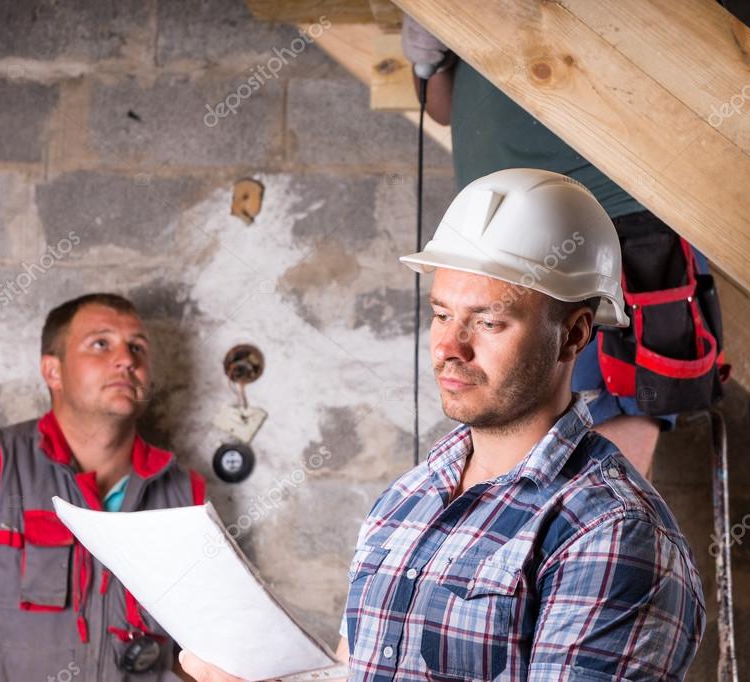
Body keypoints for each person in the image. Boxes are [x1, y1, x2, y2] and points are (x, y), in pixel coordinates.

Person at [180, 169, 705, 681]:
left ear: (573, 335)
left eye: (488, 321)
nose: (449, 348)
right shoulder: (407, 500)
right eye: (441, 315)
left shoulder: (610, 531)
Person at [402, 17, 722, 480]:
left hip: (616, 235)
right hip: (492, 246)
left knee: (605, 443)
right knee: (510, 436)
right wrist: (427, 54)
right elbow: (442, 108)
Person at [0, 293, 205, 681]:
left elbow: (196, 654)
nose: (127, 360)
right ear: (52, 371)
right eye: (101, 344)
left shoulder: (185, 496)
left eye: (137, 347)